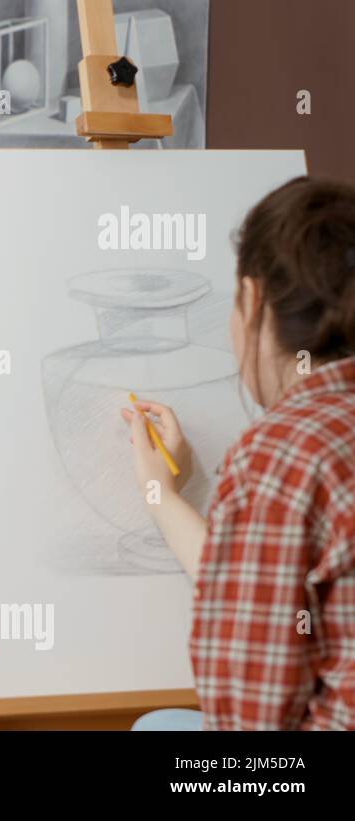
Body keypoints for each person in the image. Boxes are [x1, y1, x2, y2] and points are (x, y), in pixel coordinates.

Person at [127, 177, 355, 730]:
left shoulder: (281, 454)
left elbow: (249, 744)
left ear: (252, 300)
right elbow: (278, 587)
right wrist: (163, 498)